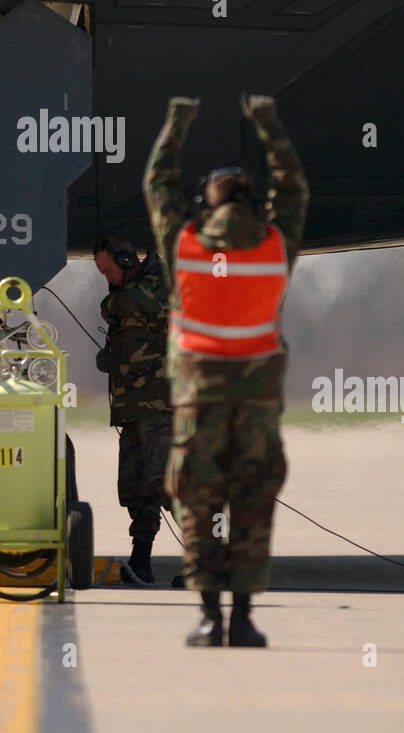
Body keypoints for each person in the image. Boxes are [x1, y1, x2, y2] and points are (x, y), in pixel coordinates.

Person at [142, 94, 309, 647]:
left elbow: (158, 185)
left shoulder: (186, 247)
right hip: (257, 407)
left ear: (204, 208)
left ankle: (210, 617)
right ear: (254, 206)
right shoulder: (272, 248)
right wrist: (267, 123)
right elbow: (294, 189)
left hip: (200, 404)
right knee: (252, 504)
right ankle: (243, 618)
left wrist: (178, 120)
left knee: (198, 501)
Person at [93, 236, 173, 586]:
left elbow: (136, 303)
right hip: (134, 412)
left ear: (127, 260)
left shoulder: (158, 285)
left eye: (110, 270)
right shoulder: (124, 300)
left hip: (162, 409)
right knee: (137, 489)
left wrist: (112, 306)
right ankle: (141, 561)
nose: (108, 278)